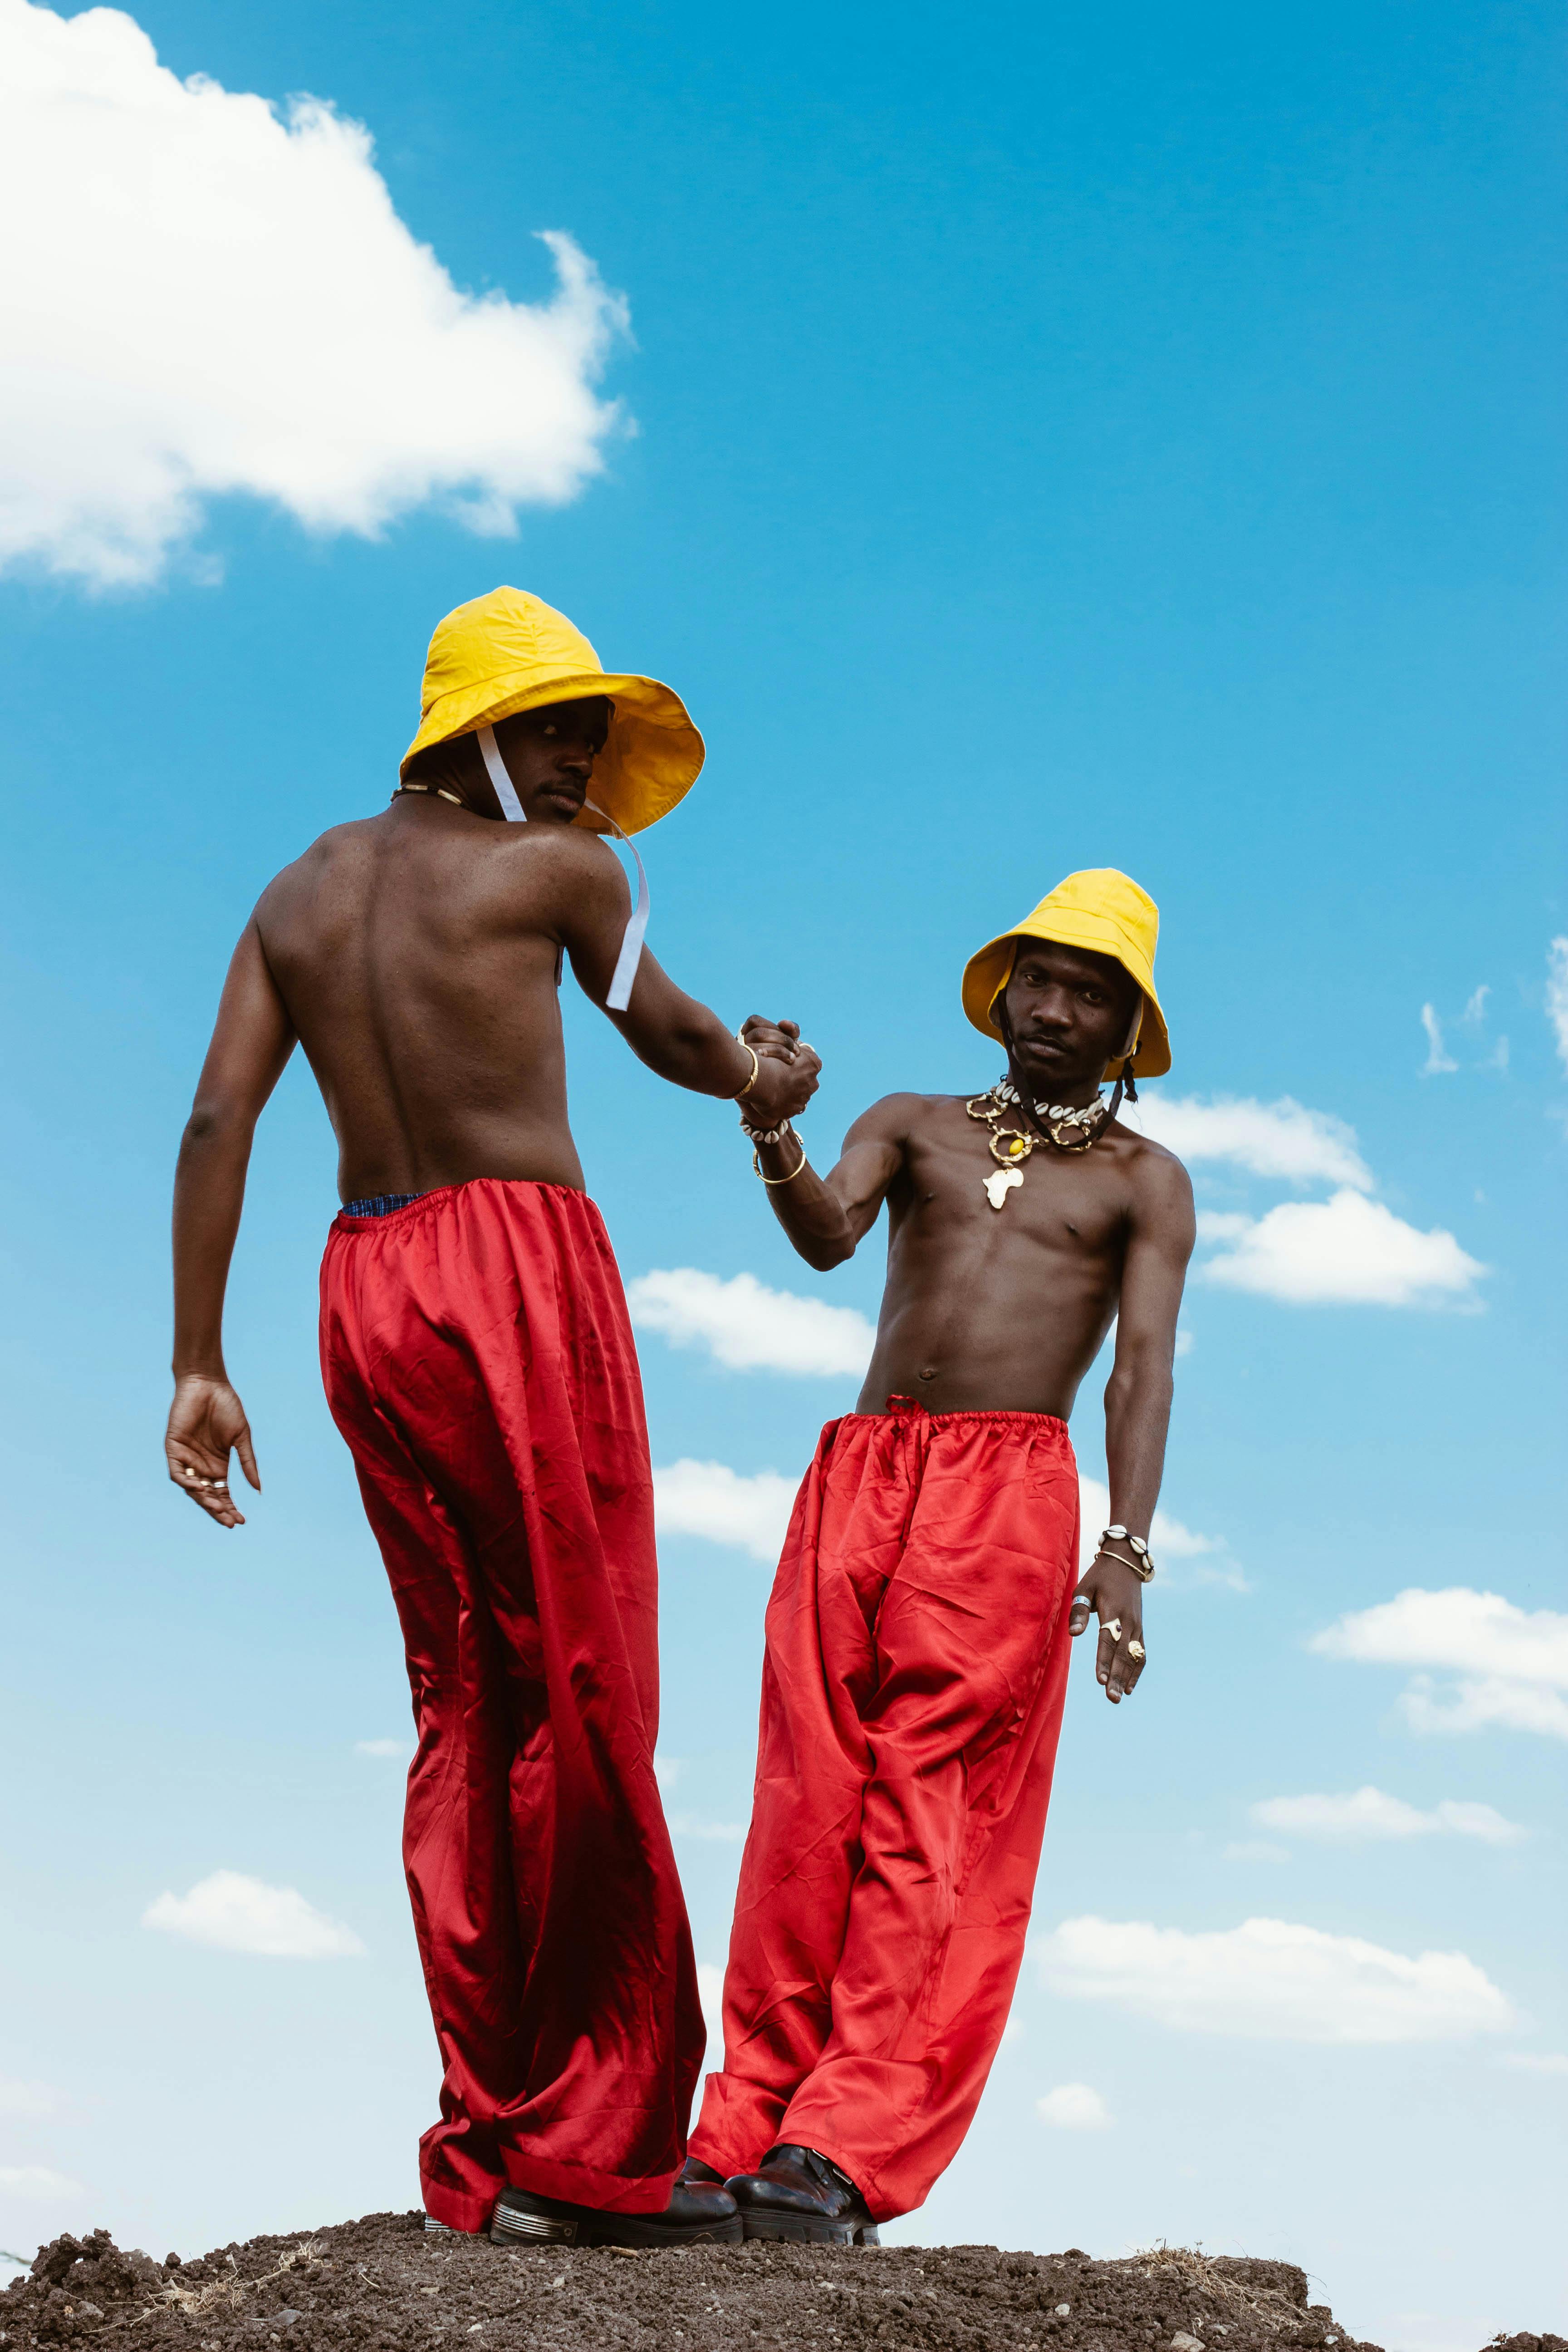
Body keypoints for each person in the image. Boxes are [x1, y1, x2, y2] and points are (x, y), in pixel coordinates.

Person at [163, 587, 820, 2250]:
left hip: (365, 1283)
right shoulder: (563, 873)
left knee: (466, 1694)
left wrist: (198, 1359)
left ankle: (499, 2106)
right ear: (476, 738)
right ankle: (590, 2147)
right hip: (515, 1267)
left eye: (596, 747)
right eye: (561, 736)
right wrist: (766, 1083)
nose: (589, 776)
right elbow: (668, 1031)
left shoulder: (293, 892)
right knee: (584, 1682)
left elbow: (217, 1116)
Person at [686, 868, 1195, 2243]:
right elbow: (827, 1236)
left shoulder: (1146, 1182)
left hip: (1008, 1492)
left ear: (1127, 1030)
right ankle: (741, 2122)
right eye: (1039, 977)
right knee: (805, 1800)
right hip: (861, 1470)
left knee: (929, 1821)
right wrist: (768, 1126)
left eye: (1090, 993)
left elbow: (1141, 1368)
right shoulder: (910, 1122)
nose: (1053, 1006)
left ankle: (839, 2149)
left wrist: (1127, 1550)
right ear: (1003, 988)